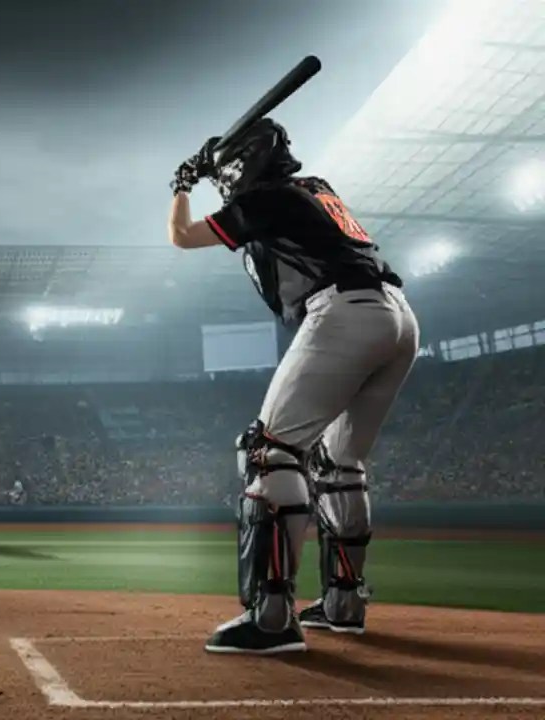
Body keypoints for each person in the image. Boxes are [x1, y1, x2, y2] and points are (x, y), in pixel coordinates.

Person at [166, 118, 419, 654]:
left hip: (343, 312)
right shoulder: (313, 188)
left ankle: (272, 616)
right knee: (340, 463)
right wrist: (212, 166)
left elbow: (182, 236)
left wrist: (183, 186)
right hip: (396, 314)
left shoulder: (267, 198)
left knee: (269, 452)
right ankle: (344, 604)